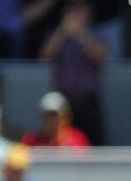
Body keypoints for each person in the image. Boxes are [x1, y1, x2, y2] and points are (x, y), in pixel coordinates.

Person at [39, 0, 107, 145]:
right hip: (64, 103)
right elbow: (44, 56)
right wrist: (61, 32)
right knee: (64, 145)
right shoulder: (57, 35)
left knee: (94, 148)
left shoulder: (96, 33)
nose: (76, 16)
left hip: (89, 102)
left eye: (80, 11)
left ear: (88, 13)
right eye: (72, 11)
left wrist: (81, 34)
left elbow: (101, 57)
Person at [22, 91, 90, 149]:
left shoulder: (77, 139)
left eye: (54, 114)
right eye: (46, 114)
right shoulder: (31, 140)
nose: (50, 119)